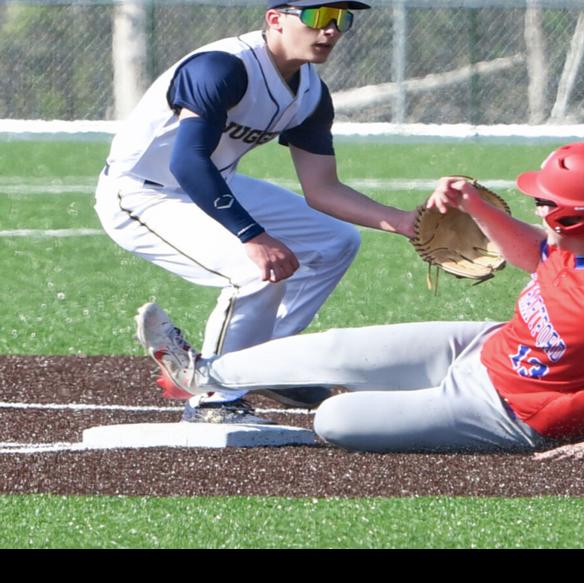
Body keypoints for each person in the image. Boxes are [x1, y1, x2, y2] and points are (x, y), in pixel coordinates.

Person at [134, 142, 584, 460]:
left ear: (576, 216)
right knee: (336, 349)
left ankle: (392, 399)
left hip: (513, 415)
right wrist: (476, 208)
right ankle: (201, 373)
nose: (537, 203)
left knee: (336, 419)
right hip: (487, 347)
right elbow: (540, 254)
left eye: (547, 200)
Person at [95, 2, 418, 426]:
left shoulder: (311, 94)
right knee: (253, 270)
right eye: (318, 17)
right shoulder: (222, 68)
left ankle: (265, 362)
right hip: (142, 192)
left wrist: (405, 223)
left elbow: (323, 190)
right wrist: (253, 236)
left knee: (335, 241)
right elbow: (188, 163)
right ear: (275, 19)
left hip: (215, 182)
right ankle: (216, 397)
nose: (332, 31)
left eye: (342, 20)